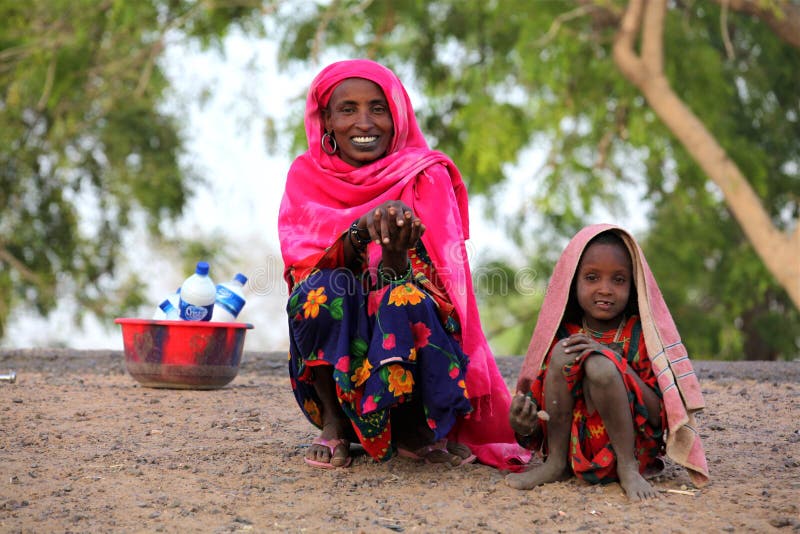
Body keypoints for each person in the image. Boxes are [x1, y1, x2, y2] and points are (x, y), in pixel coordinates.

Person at [278, 59, 527, 470]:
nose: (364, 122)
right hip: (338, 370)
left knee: (405, 296)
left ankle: (414, 427)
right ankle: (335, 423)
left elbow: (446, 293)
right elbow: (303, 271)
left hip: (415, 365)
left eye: (378, 108)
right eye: (348, 109)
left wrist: (394, 253)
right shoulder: (306, 176)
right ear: (327, 121)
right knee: (319, 292)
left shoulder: (426, 175)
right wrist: (360, 233)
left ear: (397, 116)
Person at [506, 224, 709, 500]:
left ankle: (628, 468)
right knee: (563, 354)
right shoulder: (563, 334)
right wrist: (523, 422)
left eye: (619, 280)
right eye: (592, 277)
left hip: (633, 450)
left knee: (599, 365)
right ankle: (555, 464)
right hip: (575, 450)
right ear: (573, 282)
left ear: (633, 285)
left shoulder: (641, 336)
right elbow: (539, 411)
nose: (605, 289)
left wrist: (613, 360)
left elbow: (658, 416)